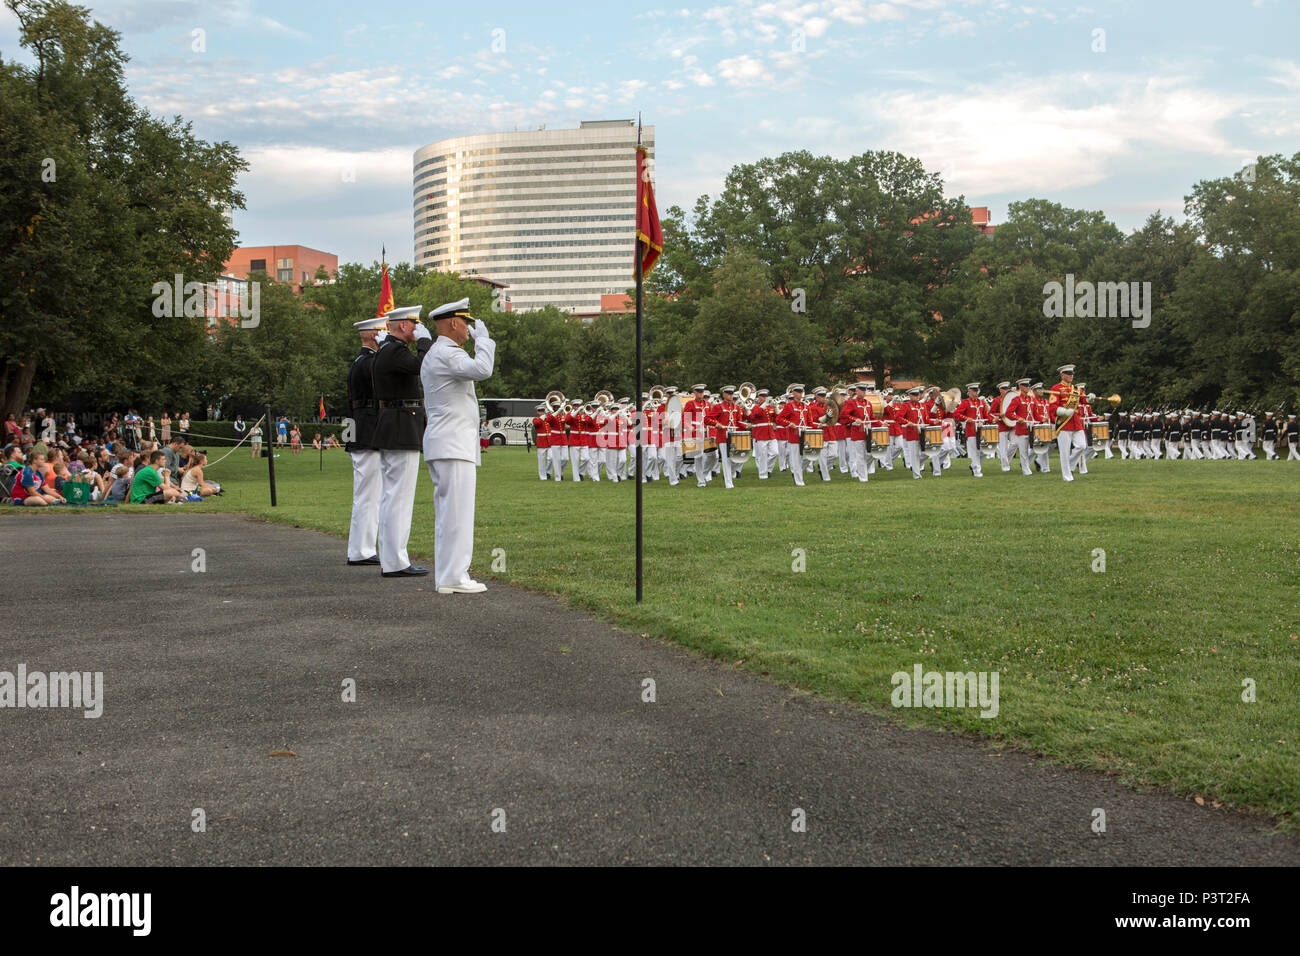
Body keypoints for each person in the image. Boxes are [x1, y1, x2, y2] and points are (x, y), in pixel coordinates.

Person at [421, 297, 496, 593]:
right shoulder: (447, 353)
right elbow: (482, 370)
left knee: (450, 514)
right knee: (457, 515)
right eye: (466, 322)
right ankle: (454, 577)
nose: (469, 329)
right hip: (452, 444)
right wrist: (485, 343)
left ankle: (449, 576)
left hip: (447, 443)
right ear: (453, 323)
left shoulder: (440, 352)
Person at [371, 304, 433, 577]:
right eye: (414, 324)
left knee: (392, 496)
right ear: (403, 326)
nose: (416, 328)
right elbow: (422, 366)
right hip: (400, 424)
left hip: (395, 422)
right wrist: (425, 342)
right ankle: (396, 561)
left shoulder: (388, 350)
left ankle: (392, 558)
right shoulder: (395, 351)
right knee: (399, 497)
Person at [1049, 364, 1087, 482]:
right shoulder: (1056, 389)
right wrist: (1064, 411)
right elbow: (1052, 408)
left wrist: (1090, 398)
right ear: (1062, 375)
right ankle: (1067, 476)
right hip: (1063, 423)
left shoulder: (1076, 389)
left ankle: (1069, 465)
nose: (1071, 376)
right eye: (1069, 374)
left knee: (1082, 446)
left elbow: (1084, 400)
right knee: (1064, 451)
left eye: (1072, 374)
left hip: (1076, 422)